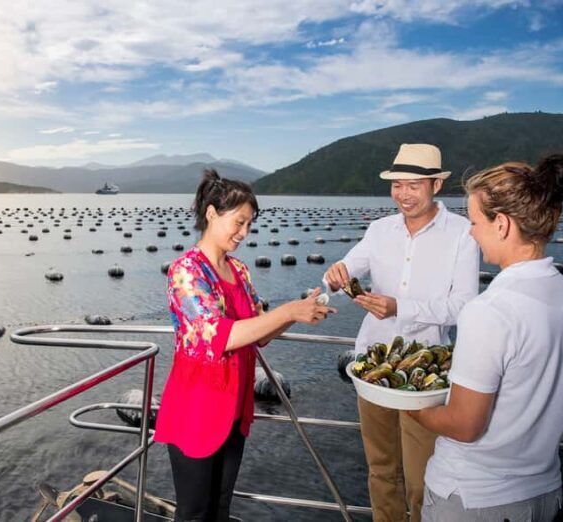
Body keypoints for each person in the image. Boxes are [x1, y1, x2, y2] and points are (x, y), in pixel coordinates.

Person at [408, 155, 563, 521]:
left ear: (502, 224)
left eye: (475, 222)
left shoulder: (490, 310)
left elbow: (464, 425)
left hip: (474, 497)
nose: (471, 232)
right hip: (542, 492)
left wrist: (414, 408)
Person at [154, 168, 335, 522]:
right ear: (211, 213)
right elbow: (220, 335)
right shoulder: (186, 271)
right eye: (238, 222)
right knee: (194, 513)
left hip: (233, 407)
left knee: (221, 508)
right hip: (196, 407)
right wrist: (286, 310)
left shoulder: (239, 269)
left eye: (249, 224)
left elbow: (260, 334)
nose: (244, 232)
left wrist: (296, 315)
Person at [324, 143, 480, 522]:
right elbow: (346, 267)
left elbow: (463, 306)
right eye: (397, 185)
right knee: (380, 469)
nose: (403, 194)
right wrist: (332, 277)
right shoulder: (379, 230)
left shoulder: (463, 233)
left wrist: (401, 308)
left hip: (425, 384)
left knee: (420, 478)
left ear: (436, 186)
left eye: (414, 185)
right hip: (371, 369)